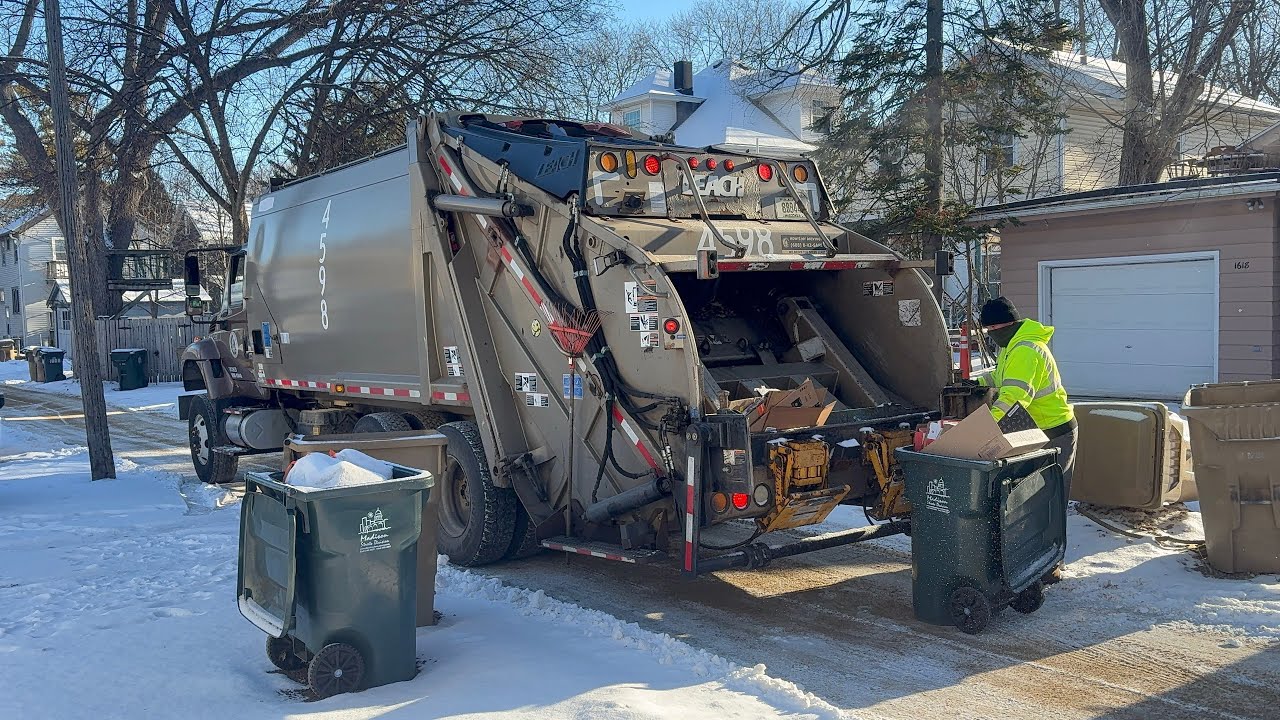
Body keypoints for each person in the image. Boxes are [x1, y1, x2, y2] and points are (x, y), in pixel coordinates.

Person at [976, 297, 1077, 583]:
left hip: (1056, 433)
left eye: (990, 331)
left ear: (1001, 326)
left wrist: (983, 427)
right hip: (1037, 432)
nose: (990, 337)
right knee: (1032, 499)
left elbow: (1014, 397)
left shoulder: (1025, 349)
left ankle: (1051, 564)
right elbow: (1001, 378)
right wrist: (977, 383)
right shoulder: (1013, 346)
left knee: (1050, 500)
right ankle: (1032, 558)